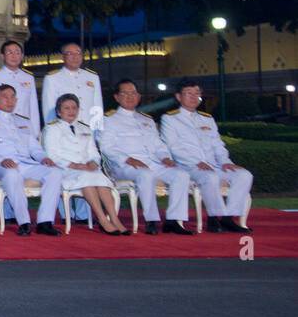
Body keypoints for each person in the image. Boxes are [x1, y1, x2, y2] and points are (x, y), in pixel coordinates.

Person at [98, 79, 193, 235]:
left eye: (133, 93)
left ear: (139, 96)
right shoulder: (109, 120)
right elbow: (106, 147)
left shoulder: (146, 119)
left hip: (153, 163)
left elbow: (158, 145)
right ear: (116, 97)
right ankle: (152, 220)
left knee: (181, 174)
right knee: (145, 174)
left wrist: (165, 158)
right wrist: (128, 159)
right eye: (125, 93)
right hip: (125, 166)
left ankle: (173, 221)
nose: (130, 96)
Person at [158, 80, 253, 233]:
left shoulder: (207, 119)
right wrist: (197, 162)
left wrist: (226, 162)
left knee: (244, 175)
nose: (194, 97)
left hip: (213, 164)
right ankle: (214, 218)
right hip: (188, 165)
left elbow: (217, 144)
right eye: (189, 93)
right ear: (178, 97)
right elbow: (173, 147)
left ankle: (228, 218)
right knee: (210, 177)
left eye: (197, 93)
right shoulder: (170, 119)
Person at [0, 84, 63, 236]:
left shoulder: (23, 121)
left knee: (54, 172)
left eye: (12, 97)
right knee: (12, 174)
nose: (9, 101)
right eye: (5, 97)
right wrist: (2, 160)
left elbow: (34, 148)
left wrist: (44, 158)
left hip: (26, 164)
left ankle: (45, 221)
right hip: (0, 166)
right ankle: (24, 222)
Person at [41, 93, 127, 235]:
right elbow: (52, 155)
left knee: (99, 179)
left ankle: (114, 219)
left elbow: (94, 152)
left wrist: (93, 162)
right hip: (65, 170)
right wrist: (74, 165)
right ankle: (102, 220)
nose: (71, 111)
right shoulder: (52, 129)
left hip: (86, 169)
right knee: (87, 178)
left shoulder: (85, 128)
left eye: (74, 108)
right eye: (66, 108)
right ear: (58, 111)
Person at [0, 39, 39, 137]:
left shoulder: (28, 77)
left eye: (17, 53)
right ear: (2, 56)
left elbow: (33, 107)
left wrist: (35, 132)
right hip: (2, 128)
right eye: (10, 52)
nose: (14, 56)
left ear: (21, 56)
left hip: (24, 128)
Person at [41, 42, 103, 126]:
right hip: (65, 131)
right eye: (70, 53)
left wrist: (98, 131)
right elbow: (49, 109)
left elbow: (97, 107)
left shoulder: (92, 77)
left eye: (78, 53)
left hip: (89, 129)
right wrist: (53, 131)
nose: (75, 57)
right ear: (63, 57)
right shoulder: (52, 78)